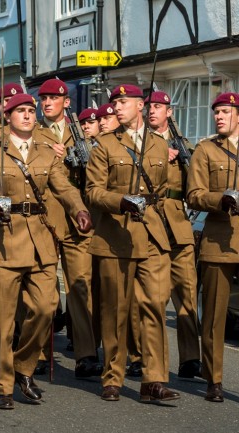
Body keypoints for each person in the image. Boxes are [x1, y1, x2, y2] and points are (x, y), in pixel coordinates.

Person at [0, 93, 91, 409]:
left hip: (39, 240)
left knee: (48, 307)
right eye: (19, 111)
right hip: (4, 241)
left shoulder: (46, 152)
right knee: (3, 322)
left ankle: (23, 366)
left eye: (29, 111)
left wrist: (78, 209)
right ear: (7, 117)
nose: (26, 115)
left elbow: (63, 187)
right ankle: (4, 386)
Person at [85, 84, 179, 403]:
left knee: (154, 304)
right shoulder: (105, 145)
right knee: (116, 309)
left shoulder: (157, 144)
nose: (116, 107)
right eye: (114, 102)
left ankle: (153, 379)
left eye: (123, 102)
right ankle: (113, 376)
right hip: (116, 236)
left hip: (152, 234)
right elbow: (93, 192)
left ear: (140, 105)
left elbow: (163, 190)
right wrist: (120, 201)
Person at [33, 78, 100, 378]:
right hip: (45, 217)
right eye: (43, 99)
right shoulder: (31, 133)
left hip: (77, 218)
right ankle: (35, 352)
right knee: (42, 290)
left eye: (53, 98)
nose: (47, 103)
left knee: (79, 287)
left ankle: (85, 353)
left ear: (67, 102)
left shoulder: (83, 134)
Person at [186, 91, 239, 402]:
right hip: (218, 238)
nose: (219, 116)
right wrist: (221, 200)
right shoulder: (205, 150)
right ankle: (214, 378)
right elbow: (194, 194)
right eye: (216, 111)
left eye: (226, 111)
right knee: (215, 315)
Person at [145, 90, 201, 379]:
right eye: (149, 107)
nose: (152, 111)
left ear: (170, 111)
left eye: (158, 106)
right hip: (151, 223)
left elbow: (194, 188)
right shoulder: (139, 144)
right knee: (151, 298)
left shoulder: (184, 144)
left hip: (178, 225)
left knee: (186, 293)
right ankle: (143, 357)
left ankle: (190, 357)